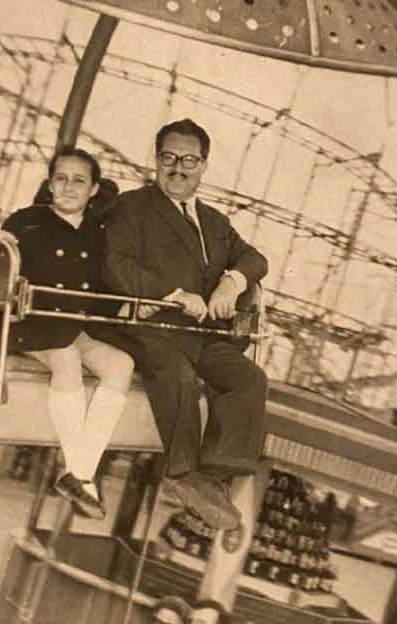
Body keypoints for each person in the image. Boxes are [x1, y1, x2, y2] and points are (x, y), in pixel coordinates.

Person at [103, 119, 269, 531]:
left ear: (204, 165)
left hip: (202, 336)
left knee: (248, 380)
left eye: (189, 160)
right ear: (156, 160)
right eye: (169, 158)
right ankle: (182, 474)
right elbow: (116, 264)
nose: (178, 168)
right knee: (176, 377)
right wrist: (175, 294)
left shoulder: (214, 222)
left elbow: (255, 259)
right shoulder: (132, 207)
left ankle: (210, 477)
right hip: (151, 328)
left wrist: (232, 282)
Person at [0, 147, 134, 520]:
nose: (68, 187)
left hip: (71, 325)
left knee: (121, 365)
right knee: (65, 357)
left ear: (94, 189)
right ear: (50, 184)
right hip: (27, 324)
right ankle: (82, 475)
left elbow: (109, 290)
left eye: (79, 180)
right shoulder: (26, 221)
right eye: (61, 178)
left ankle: (78, 472)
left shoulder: (100, 235)